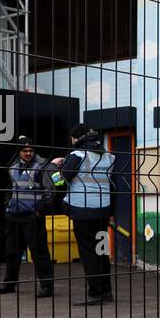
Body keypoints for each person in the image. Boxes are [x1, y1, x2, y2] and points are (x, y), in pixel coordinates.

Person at [52, 126, 114, 306]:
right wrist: (111, 211)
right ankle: (106, 291)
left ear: (75, 138)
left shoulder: (77, 155)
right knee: (101, 252)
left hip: (83, 211)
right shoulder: (107, 156)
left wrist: (54, 168)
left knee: (88, 253)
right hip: (103, 211)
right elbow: (113, 185)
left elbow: (60, 180)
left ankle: (94, 293)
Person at [0, 136, 55, 298]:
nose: (28, 153)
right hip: (14, 216)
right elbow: (9, 189)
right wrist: (8, 207)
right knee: (12, 252)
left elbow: (50, 191)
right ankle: (9, 284)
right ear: (19, 152)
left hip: (32, 217)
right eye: (24, 150)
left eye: (30, 150)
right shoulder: (13, 167)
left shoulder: (42, 166)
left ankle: (47, 286)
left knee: (39, 252)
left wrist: (39, 212)